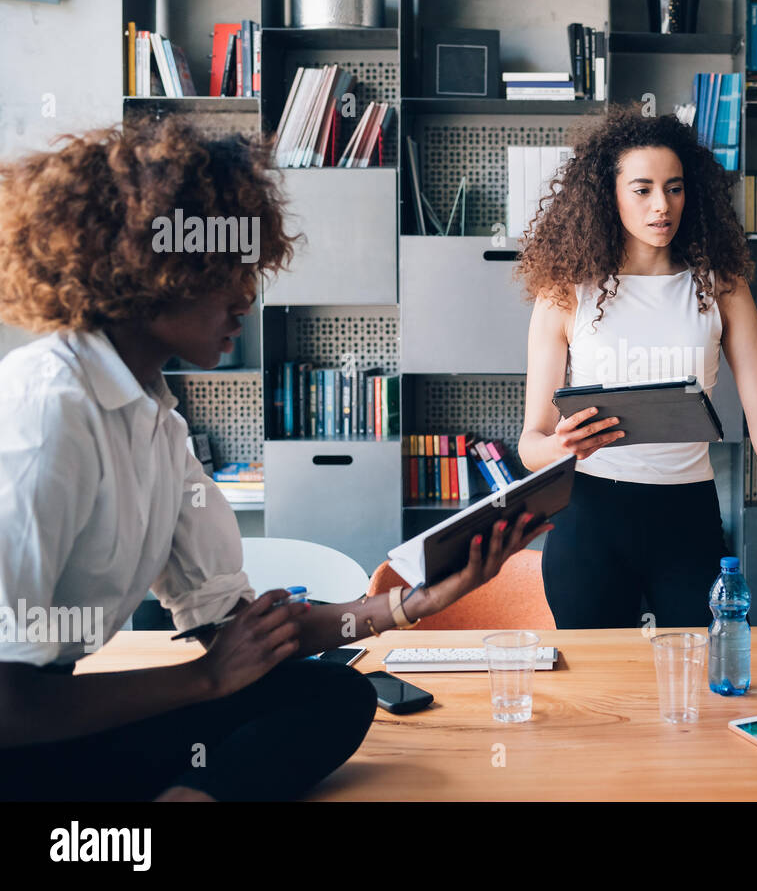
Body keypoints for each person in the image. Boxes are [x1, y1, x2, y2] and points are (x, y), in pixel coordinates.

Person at [0, 117, 547, 801]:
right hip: (17, 737)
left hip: (56, 727)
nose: (247, 297)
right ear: (149, 268)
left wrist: (412, 603)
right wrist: (203, 680)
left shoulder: (156, 421)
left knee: (330, 695)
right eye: (225, 271)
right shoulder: (47, 412)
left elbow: (240, 634)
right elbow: (10, 706)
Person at [514, 105, 757, 635]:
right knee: (598, 696)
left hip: (688, 517)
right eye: (642, 189)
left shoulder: (720, 287)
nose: (662, 205)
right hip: (589, 518)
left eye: (675, 188)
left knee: (704, 689)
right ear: (607, 194)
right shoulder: (565, 294)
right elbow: (530, 444)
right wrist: (562, 447)